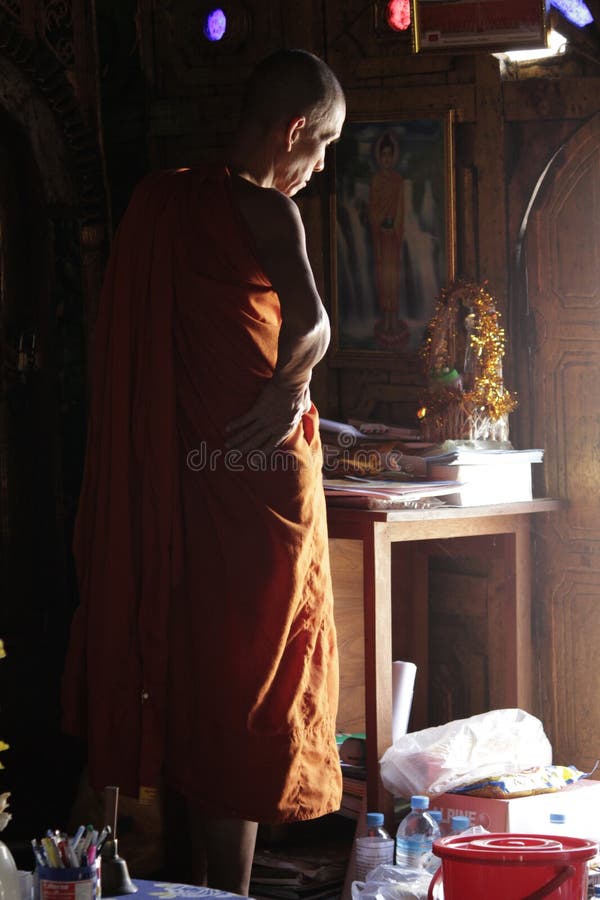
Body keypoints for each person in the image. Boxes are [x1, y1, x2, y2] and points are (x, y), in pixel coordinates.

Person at [60, 49, 346, 895]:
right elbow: (315, 324)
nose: (322, 167)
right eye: (323, 146)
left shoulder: (157, 202)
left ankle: (110, 870)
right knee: (244, 679)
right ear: (293, 130)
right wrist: (292, 386)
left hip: (172, 474)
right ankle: (229, 890)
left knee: (169, 644)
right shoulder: (264, 209)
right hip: (256, 484)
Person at [368, 132, 407, 345]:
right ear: (379, 158)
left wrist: (395, 225)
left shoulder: (398, 181)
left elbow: (401, 207)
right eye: (383, 157)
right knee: (383, 280)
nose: (386, 160)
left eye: (389, 157)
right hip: (381, 240)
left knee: (394, 279)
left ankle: (394, 320)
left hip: (393, 239)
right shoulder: (376, 181)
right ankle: (385, 320)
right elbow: (373, 209)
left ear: (394, 158)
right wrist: (381, 220)